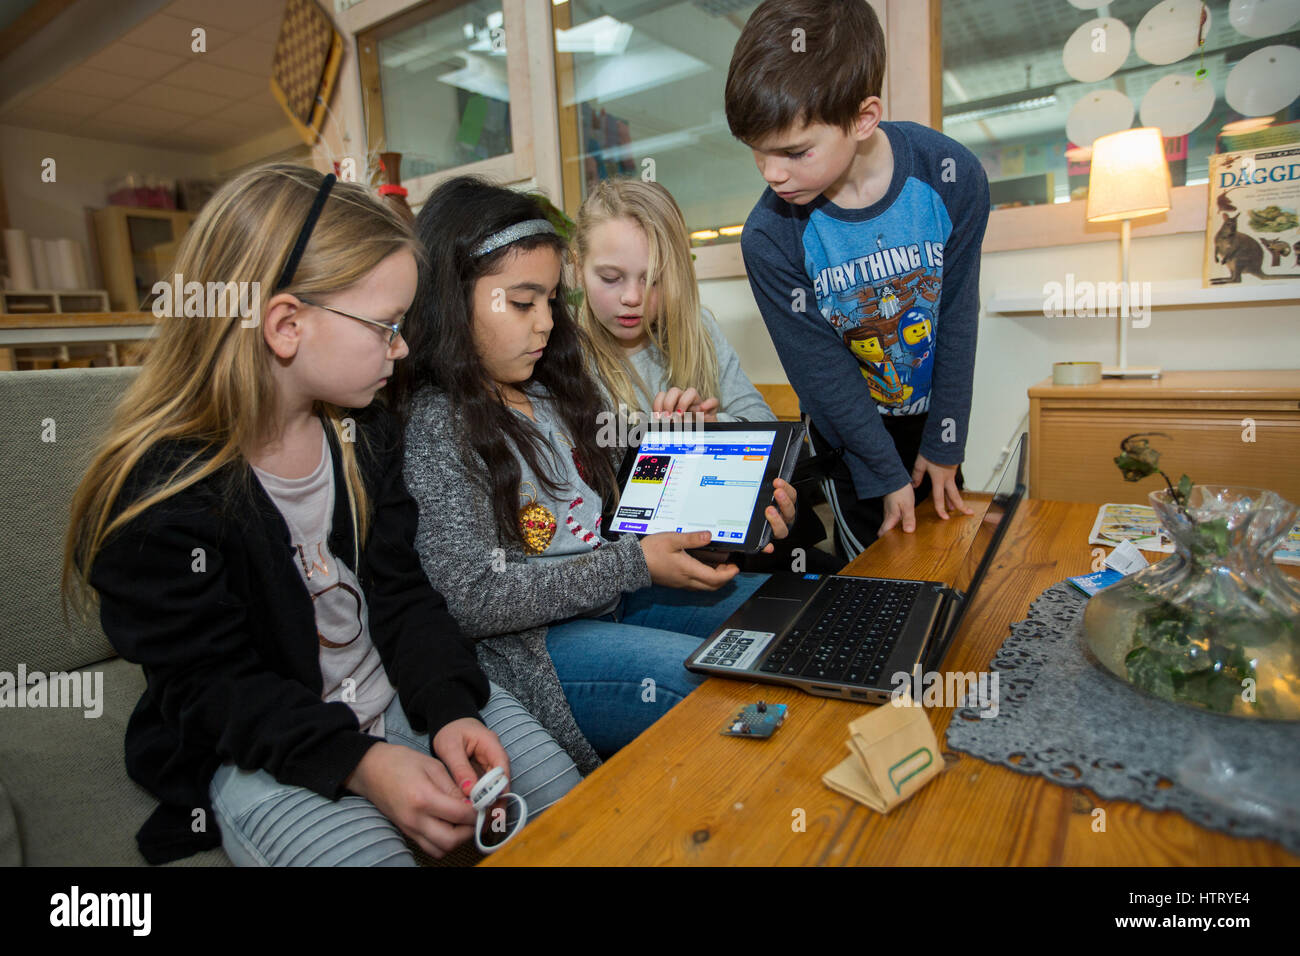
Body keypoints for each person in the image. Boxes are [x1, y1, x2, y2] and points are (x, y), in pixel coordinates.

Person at [62, 164, 580, 866]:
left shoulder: (365, 433)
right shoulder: (158, 492)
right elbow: (215, 690)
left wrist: (452, 706)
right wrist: (362, 763)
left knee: (570, 814)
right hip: (271, 744)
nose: (402, 350)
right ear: (285, 326)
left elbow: (403, 594)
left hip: (401, 697)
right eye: (387, 327)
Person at [389, 176, 798, 771]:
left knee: (787, 614)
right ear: (452, 300)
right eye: (524, 304)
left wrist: (673, 457)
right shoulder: (437, 424)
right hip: (534, 647)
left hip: (610, 597)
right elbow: (473, 600)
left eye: (550, 303)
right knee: (714, 695)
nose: (547, 324)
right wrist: (635, 563)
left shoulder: (549, 391)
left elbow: (613, 512)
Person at [725, 0, 991, 560]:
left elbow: (958, 318)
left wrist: (946, 443)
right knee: (876, 581)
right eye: (757, 152)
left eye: (796, 152)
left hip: (929, 420)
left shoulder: (952, 177)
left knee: (945, 562)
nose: (773, 174)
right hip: (850, 438)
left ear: (863, 118)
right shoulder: (770, 237)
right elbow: (822, 374)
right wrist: (882, 472)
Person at [573, 176, 775, 426]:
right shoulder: (565, 356)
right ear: (578, 269)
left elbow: (763, 422)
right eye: (611, 278)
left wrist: (713, 427)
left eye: (655, 280)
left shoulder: (701, 329)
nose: (633, 298)